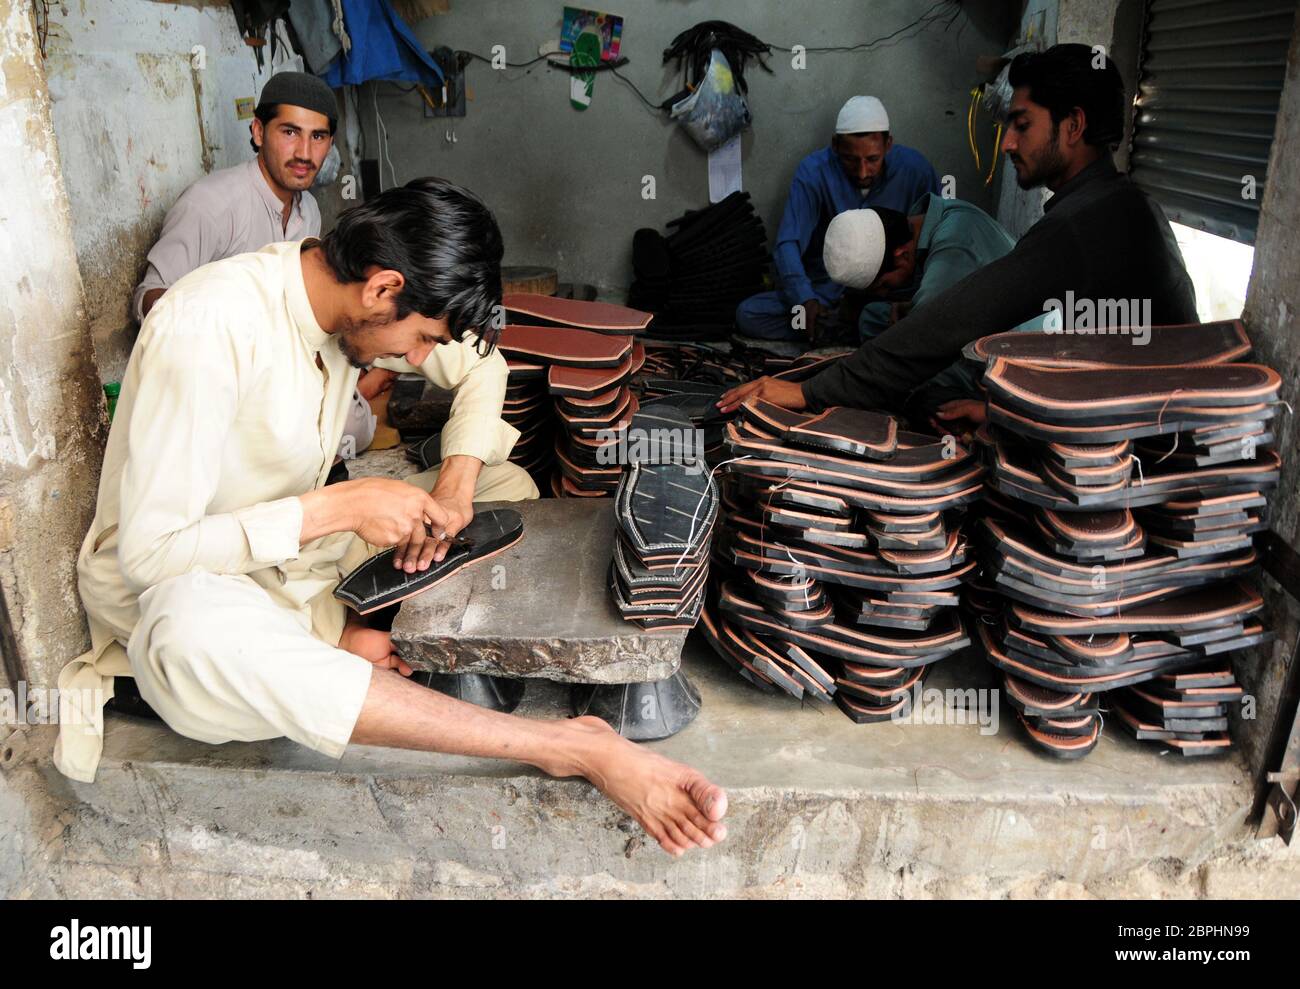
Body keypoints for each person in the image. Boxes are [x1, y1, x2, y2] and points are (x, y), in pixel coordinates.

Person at [56, 179, 727, 857]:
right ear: (383, 288)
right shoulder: (208, 325)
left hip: (295, 566)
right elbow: (151, 554)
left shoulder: (350, 306)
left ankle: (329, 643)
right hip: (185, 587)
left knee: (504, 483)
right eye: (423, 338)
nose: (417, 359)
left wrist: (455, 486)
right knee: (192, 635)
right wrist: (342, 506)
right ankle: (566, 745)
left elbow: (483, 368)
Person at [718, 44, 1198, 431]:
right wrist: (1002, 413)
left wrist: (809, 391)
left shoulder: (1086, 222)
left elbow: (947, 323)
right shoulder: (1120, 204)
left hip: (1148, 442)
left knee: (926, 388)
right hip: (1132, 414)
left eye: (1022, 124)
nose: (1008, 143)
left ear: (1073, 126)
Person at [131, 70, 391, 461]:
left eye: (318, 137)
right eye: (290, 132)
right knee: (319, 439)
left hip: (281, 370)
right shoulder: (211, 204)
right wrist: (230, 329)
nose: (304, 153)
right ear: (258, 131)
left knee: (351, 424)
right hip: (220, 377)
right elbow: (146, 298)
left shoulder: (308, 210)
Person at [734, 95, 941, 342]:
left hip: (885, 289)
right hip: (828, 291)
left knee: (912, 314)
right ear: (835, 145)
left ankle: (845, 328)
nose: (862, 172)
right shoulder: (813, 172)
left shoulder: (916, 170)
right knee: (749, 314)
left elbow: (936, 231)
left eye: (872, 159)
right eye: (851, 159)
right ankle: (847, 327)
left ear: (888, 145)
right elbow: (788, 243)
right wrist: (804, 299)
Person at [822, 195, 1048, 417]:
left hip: (1022, 367)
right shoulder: (930, 218)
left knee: (908, 370)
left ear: (902, 256)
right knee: (874, 316)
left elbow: (920, 342)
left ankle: (947, 404)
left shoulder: (954, 249)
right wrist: (912, 306)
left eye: (884, 285)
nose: (884, 293)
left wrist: (849, 382)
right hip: (984, 325)